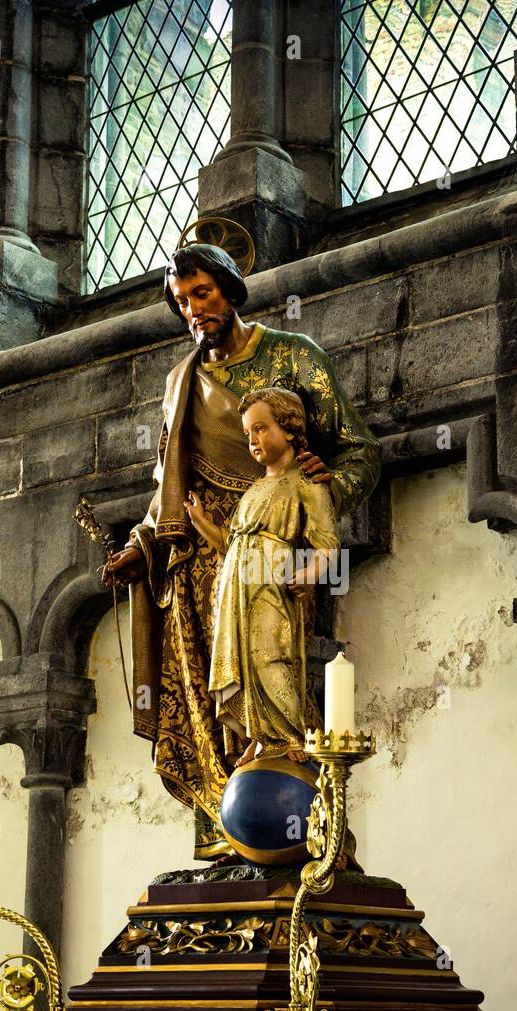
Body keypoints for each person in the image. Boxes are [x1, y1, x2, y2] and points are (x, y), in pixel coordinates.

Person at [103, 242, 381, 861]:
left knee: (271, 679)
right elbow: (166, 491)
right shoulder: (180, 382)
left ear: (230, 289)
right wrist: (140, 546)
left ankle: (293, 831)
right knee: (207, 693)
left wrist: (321, 487)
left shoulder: (292, 357)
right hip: (196, 559)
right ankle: (224, 836)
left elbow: (360, 452)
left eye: (202, 293)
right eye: (182, 302)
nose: (194, 310)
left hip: (267, 552)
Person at [183, 387, 339, 767]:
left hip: (272, 584)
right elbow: (230, 543)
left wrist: (311, 573)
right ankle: (260, 735)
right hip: (236, 589)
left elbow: (328, 544)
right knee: (242, 661)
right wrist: (202, 523)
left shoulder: (306, 482)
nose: (253, 439)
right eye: (248, 433)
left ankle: (289, 733)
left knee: (271, 656)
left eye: (261, 428)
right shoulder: (252, 491)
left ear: (289, 429)